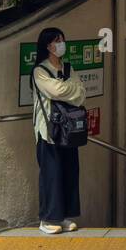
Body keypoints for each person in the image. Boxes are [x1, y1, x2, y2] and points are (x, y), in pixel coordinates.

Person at [31, 26, 86, 235]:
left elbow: (81, 93)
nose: (61, 44)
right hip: (48, 131)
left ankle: (64, 216)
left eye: (62, 39)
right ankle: (47, 218)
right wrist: (70, 89)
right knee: (51, 174)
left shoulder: (69, 67)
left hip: (69, 129)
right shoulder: (40, 71)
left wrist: (69, 90)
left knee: (69, 172)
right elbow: (57, 90)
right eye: (57, 40)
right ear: (48, 46)